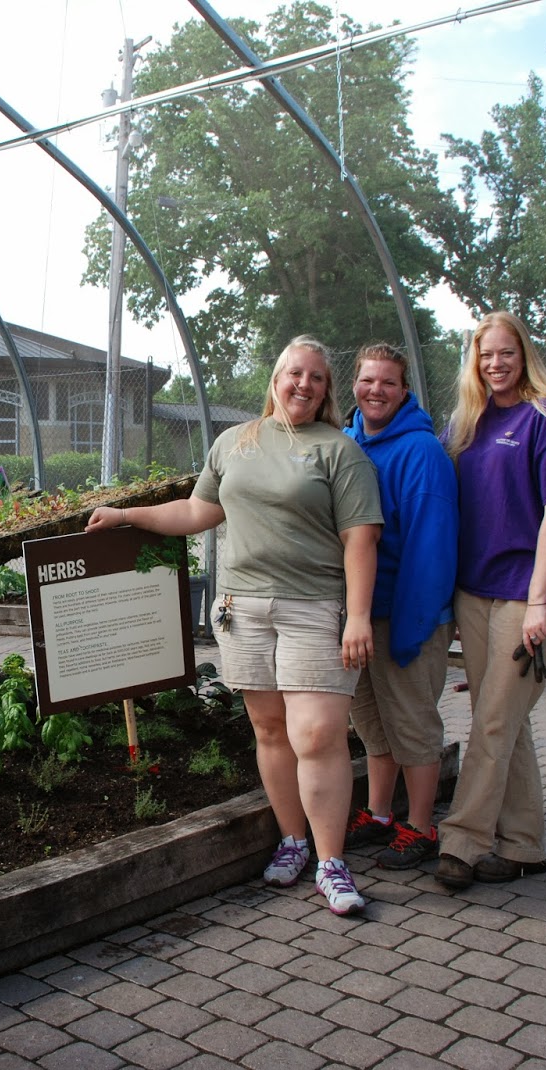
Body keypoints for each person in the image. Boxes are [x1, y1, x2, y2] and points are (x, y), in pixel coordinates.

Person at [86, 335, 382, 916]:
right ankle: (292, 842)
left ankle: (332, 863)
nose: (303, 384)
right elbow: (198, 511)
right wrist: (125, 515)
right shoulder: (236, 442)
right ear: (276, 379)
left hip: (314, 610)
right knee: (269, 730)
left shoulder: (339, 451)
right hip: (241, 611)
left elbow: (361, 539)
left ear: (326, 392)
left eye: (316, 378)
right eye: (294, 373)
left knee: (317, 734)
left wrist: (360, 616)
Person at [434, 311, 546, 891]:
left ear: (524, 356)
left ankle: (462, 842)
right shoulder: (464, 424)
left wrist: (540, 603)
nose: (495, 363)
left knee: (494, 721)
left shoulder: (545, 421)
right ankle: (525, 846)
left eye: (506, 353)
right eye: (485, 355)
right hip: (473, 593)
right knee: (502, 718)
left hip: (527, 597)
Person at [341, 343, 459, 870]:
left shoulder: (421, 452)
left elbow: (430, 548)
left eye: (388, 383)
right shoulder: (347, 442)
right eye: (369, 381)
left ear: (404, 391)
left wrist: (412, 626)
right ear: (354, 386)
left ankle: (421, 825)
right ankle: (380, 812)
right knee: (371, 721)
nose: (377, 391)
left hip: (406, 614)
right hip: (359, 616)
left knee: (412, 722)